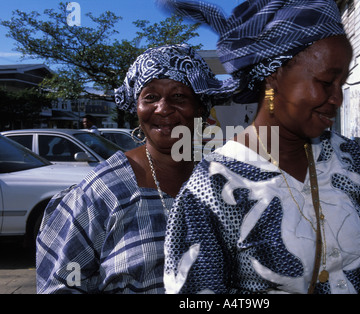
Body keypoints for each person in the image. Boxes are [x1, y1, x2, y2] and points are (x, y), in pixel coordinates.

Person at [162, 0, 360, 294]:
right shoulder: (213, 186)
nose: (338, 98)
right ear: (274, 76)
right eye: (326, 82)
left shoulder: (348, 159)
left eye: (342, 83)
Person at [35, 44, 233, 293]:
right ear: (136, 107)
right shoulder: (102, 191)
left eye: (179, 96)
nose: (163, 108)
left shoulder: (224, 182)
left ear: (201, 107)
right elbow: (63, 282)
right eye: (150, 97)